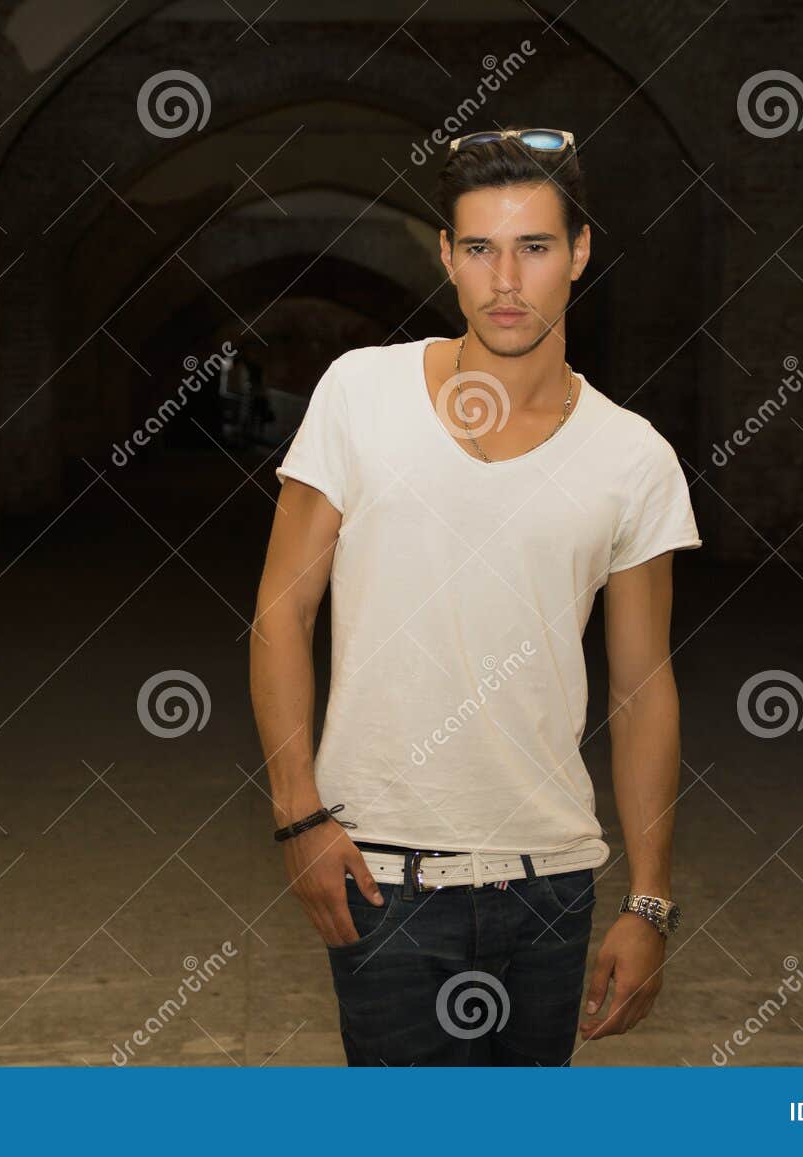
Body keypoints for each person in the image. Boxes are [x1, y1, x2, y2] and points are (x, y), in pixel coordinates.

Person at [249, 127, 701, 1066]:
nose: (507, 279)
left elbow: (642, 686)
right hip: (379, 876)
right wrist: (298, 815)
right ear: (446, 256)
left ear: (577, 254)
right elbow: (282, 613)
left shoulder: (633, 457)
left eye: (535, 247)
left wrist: (648, 900)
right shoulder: (360, 393)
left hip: (552, 885)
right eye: (481, 249)